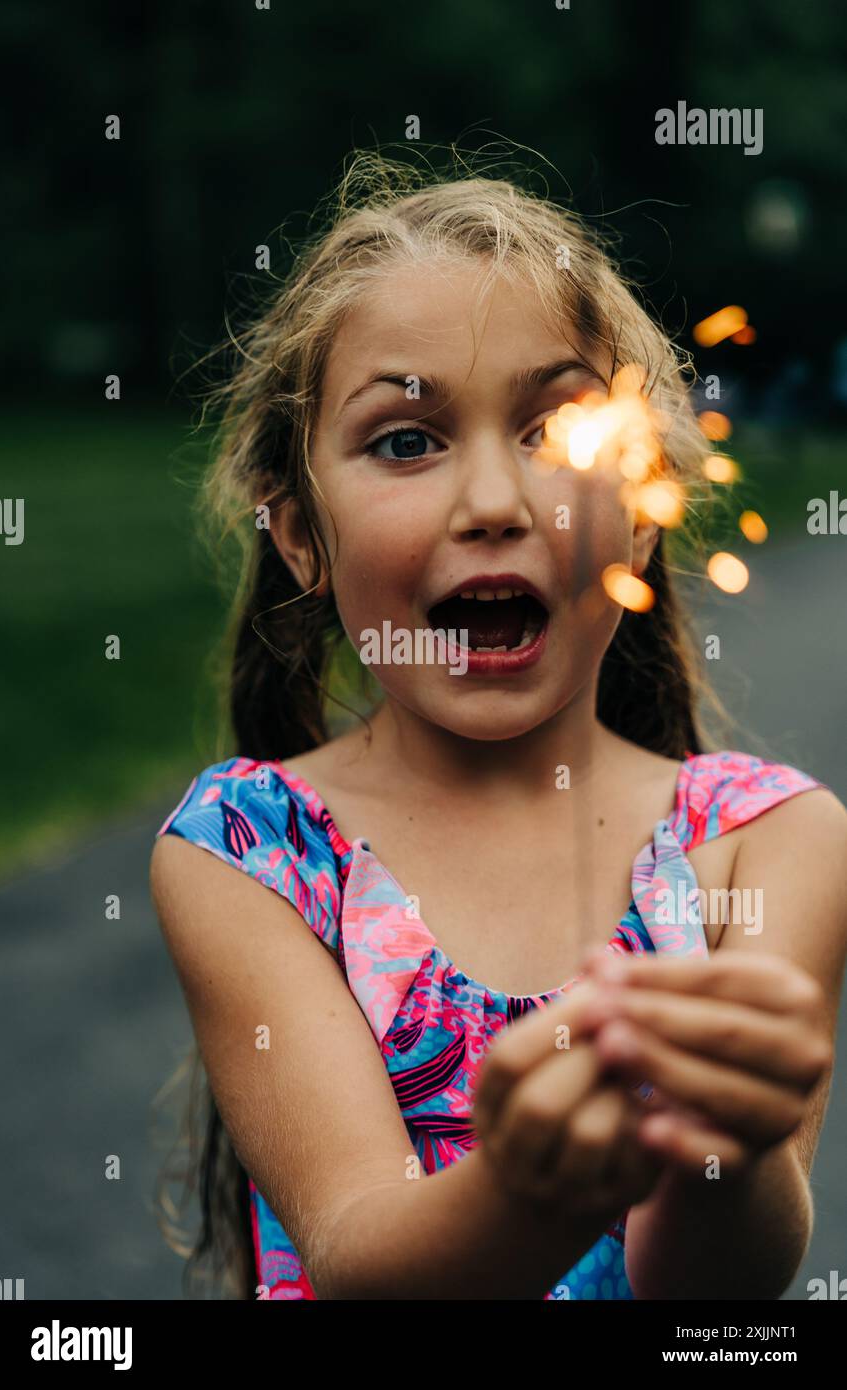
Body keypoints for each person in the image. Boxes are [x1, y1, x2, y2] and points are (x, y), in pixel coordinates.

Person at [150, 151, 847, 1300]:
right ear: (298, 536)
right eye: (404, 441)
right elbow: (361, 1252)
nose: (491, 504)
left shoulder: (767, 843)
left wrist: (733, 1139)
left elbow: (711, 1298)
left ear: (638, 519)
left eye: (556, 431)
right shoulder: (246, 852)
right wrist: (532, 1184)